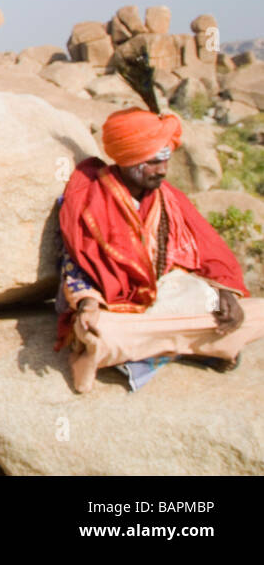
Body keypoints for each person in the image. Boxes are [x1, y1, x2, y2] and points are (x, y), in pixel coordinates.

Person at [58, 108, 263, 393]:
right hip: (115, 303)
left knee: (241, 311)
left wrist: (224, 292)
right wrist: (87, 304)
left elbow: (208, 252)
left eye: (165, 160)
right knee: (101, 331)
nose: (162, 170)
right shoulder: (88, 196)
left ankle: (168, 345)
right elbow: (75, 262)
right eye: (153, 162)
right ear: (128, 158)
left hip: (167, 294)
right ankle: (198, 346)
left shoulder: (169, 197)